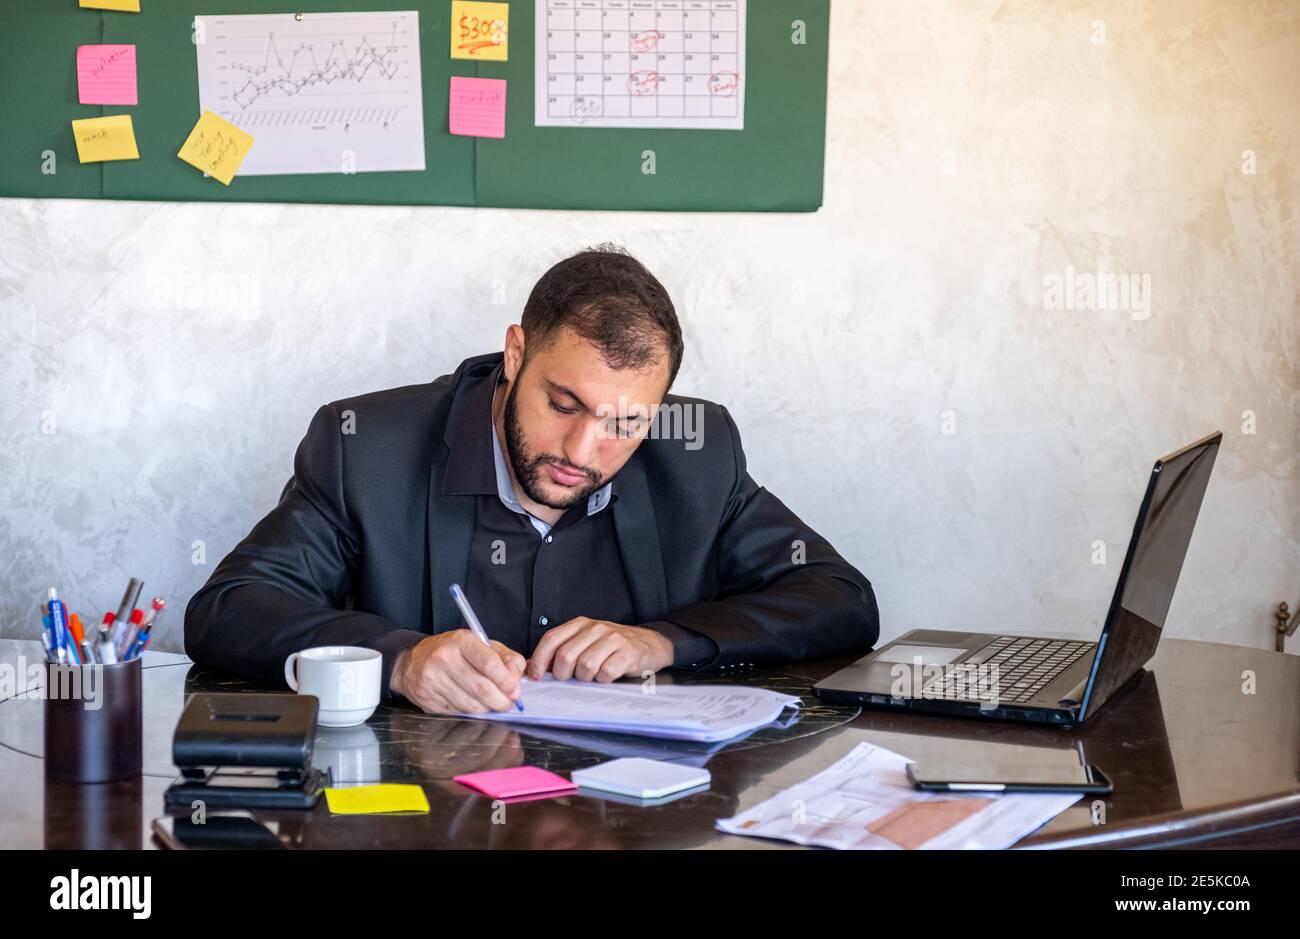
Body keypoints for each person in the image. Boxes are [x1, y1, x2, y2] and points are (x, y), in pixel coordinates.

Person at [185, 245, 879, 714]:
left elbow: (840, 598)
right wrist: (399, 659)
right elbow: (230, 607)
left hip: (630, 814)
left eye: (624, 423)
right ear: (515, 353)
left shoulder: (697, 455)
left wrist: (664, 640)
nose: (583, 448)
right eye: (564, 403)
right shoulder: (367, 450)